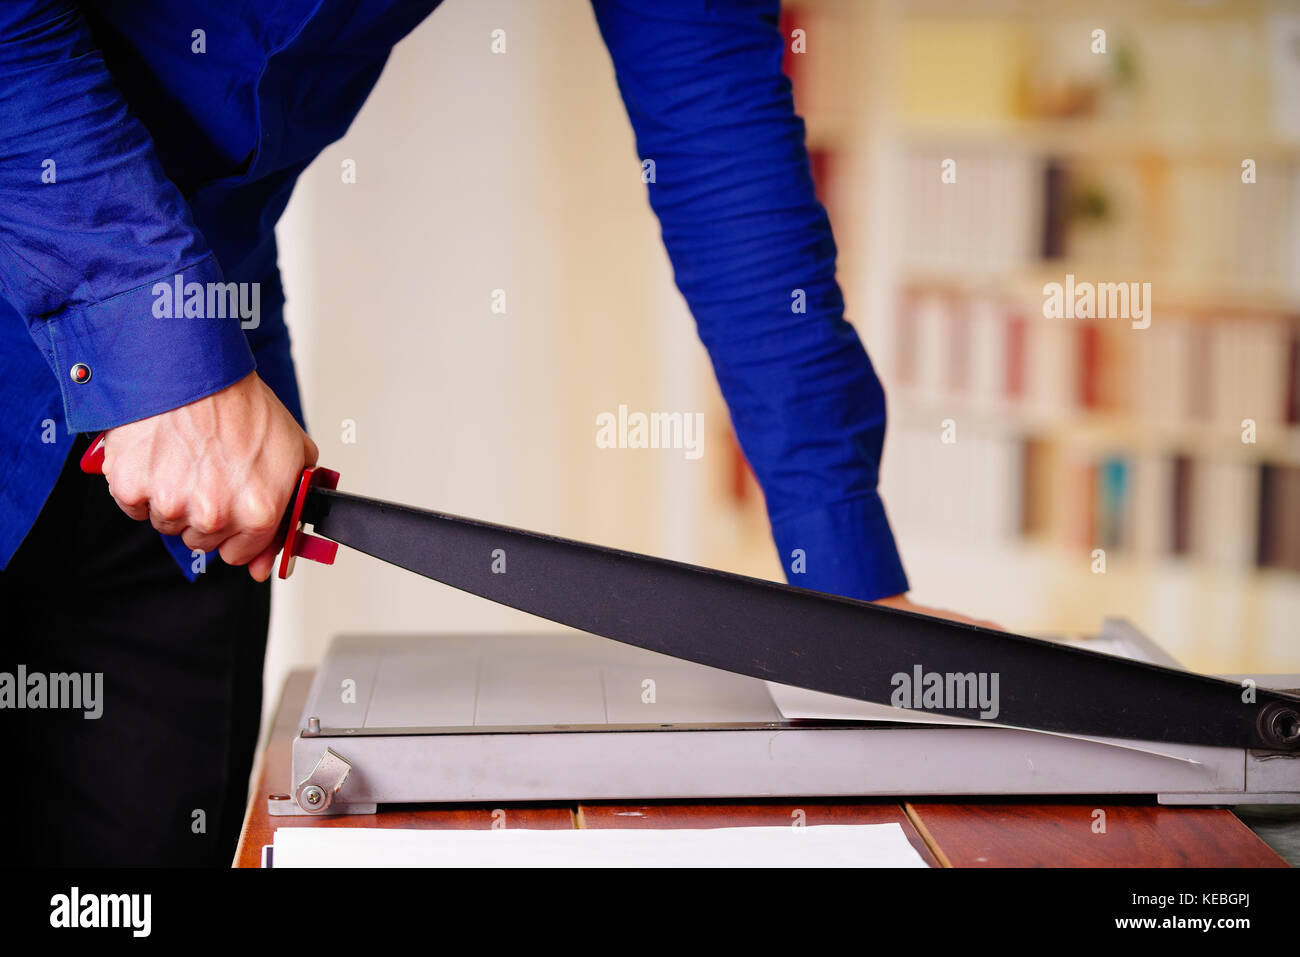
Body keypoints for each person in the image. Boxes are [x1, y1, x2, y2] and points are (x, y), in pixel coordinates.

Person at [0, 0, 972, 867]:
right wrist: (155, 340)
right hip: (168, 375)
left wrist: (849, 591)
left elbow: (717, 122)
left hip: (202, 468)